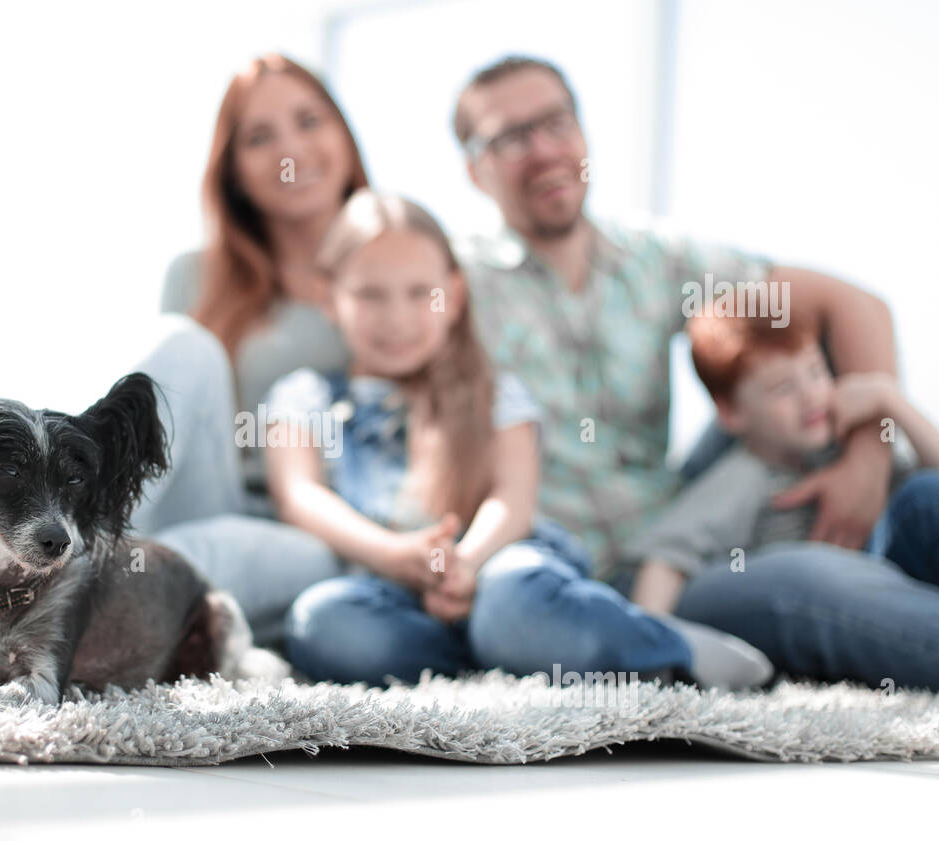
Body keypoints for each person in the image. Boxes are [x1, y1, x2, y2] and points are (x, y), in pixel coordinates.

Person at [0, 54, 368, 674]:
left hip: (317, 526)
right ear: (234, 169)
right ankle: (43, 555)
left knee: (171, 558)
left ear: (346, 133)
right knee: (182, 348)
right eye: (259, 136)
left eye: (309, 120)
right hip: (202, 493)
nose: (291, 148)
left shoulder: (413, 271)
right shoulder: (199, 274)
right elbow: (153, 443)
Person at [451, 53, 939, 689]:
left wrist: (866, 461)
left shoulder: (655, 259)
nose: (544, 151)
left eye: (556, 122)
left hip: (687, 516)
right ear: (475, 170)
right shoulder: (451, 289)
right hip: (625, 573)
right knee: (812, 584)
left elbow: (855, 307)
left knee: (919, 498)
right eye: (512, 138)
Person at [263, 189, 773, 689]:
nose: (397, 317)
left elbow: (512, 499)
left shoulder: (496, 392)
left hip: (498, 564)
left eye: (420, 293)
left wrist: (464, 563)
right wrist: (393, 555)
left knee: (513, 600)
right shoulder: (304, 396)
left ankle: (668, 647)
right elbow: (301, 495)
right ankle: (496, 662)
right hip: (393, 588)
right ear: (328, 297)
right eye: (370, 295)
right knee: (323, 621)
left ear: (454, 295)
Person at [629, 304, 939, 612]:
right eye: (784, 388)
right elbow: (666, 556)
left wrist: (890, 399)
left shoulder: (850, 441)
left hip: (907, 564)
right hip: (857, 597)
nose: (810, 396)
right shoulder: (744, 478)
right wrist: (651, 644)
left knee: (921, 494)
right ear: (732, 412)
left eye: (816, 371)